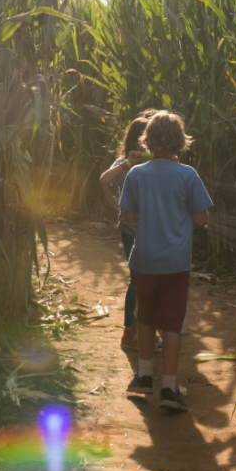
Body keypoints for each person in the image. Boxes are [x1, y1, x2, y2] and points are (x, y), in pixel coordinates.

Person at [115, 110, 212, 413]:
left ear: (147, 140)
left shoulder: (136, 174)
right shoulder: (187, 175)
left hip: (143, 259)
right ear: (180, 141)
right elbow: (201, 217)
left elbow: (129, 218)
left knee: (145, 317)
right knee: (171, 324)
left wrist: (149, 225)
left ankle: (144, 375)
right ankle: (169, 387)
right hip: (175, 263)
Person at [98, 110, 158, 374]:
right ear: (136, 141)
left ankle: (143, 330)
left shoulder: (158, 163)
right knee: (137, 277)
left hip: (154, 229)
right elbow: (104, 180)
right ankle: (128, 332)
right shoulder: (125, 162)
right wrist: (126, 163)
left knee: (151, 278)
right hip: (131, 230)